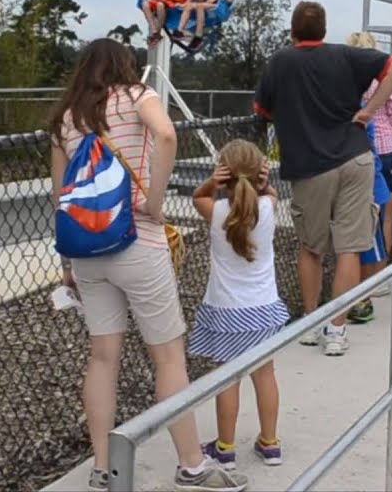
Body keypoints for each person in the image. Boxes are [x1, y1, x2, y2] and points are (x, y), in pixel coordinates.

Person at [49, 39, 248, 492]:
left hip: (86, 252)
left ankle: (103, 468)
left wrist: (66, 261)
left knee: (102, 357)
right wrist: (154, 203)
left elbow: (61, 197)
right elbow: (166, 135)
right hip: (137, 238)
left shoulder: (66, 119)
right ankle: (192, 466)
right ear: (125, 65)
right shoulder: (139, 97)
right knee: (167, 355)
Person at [254, 1, 392, 356]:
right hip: (356, 158)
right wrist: (368, 111)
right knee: (350, 247)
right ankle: (337, 329)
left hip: (310, 166)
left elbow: (262, 110)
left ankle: (310, 321)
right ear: (324, 29)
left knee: (311, 248)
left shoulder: (281, 62)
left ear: (293, 31)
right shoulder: (346, 55)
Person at [190, 140, 287, 470]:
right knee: (265, 375)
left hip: (226, 312)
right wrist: (264, 181)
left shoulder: (216, 211)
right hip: (264, 309)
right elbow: (269, 193)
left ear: (224, 175)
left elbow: (198, 197)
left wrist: (211, 181)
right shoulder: (269, 208)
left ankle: (226, 448)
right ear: (259, 173)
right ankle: (270, 443)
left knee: (227, 378)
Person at [344, 31, 392, 324]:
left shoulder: (348, 85)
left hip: (355, 152)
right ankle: (379, 275)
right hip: (387, 150)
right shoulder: (385, 84)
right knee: (385, 215)